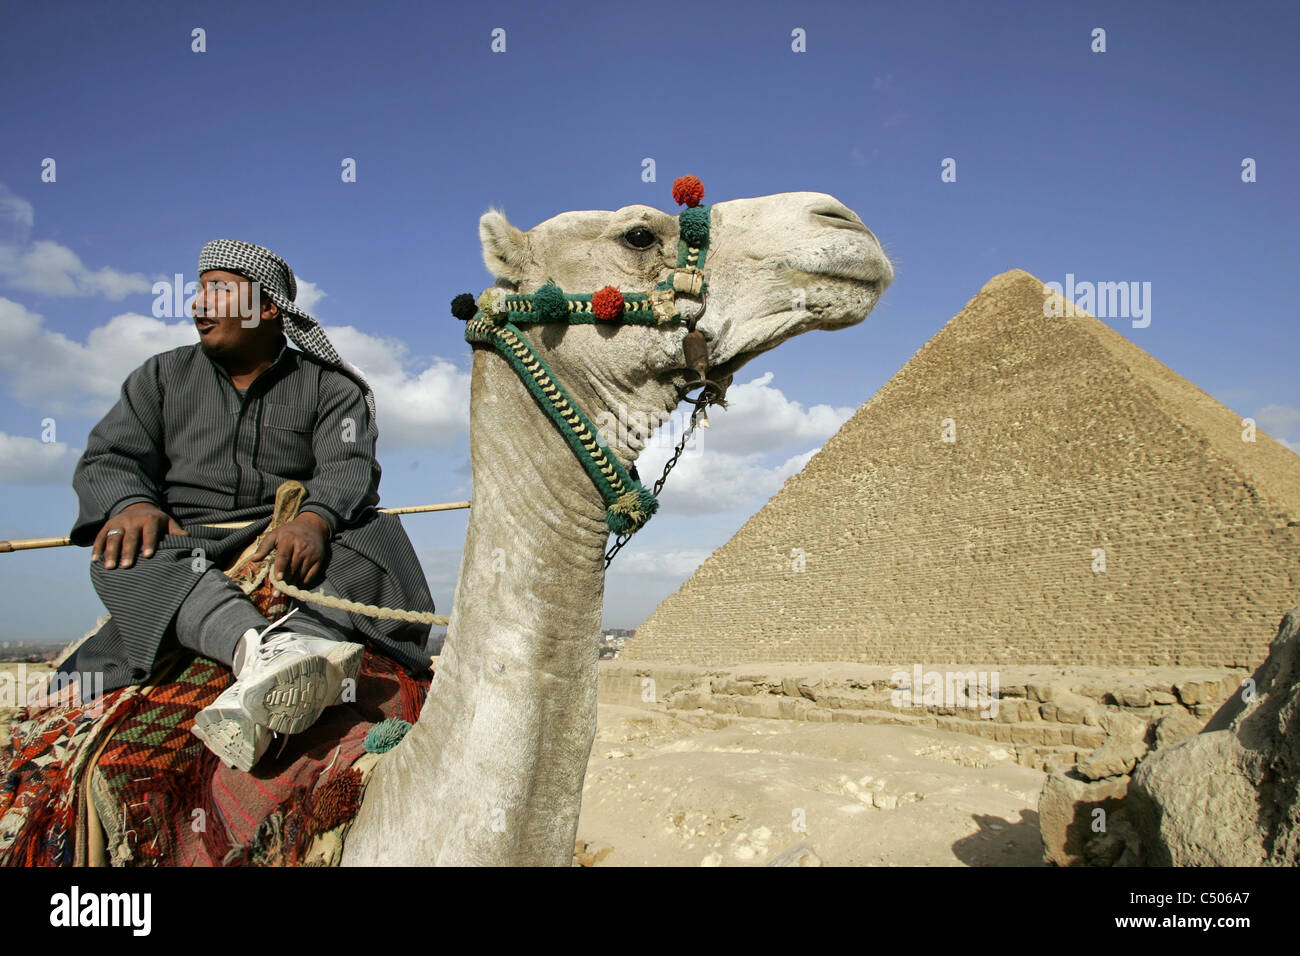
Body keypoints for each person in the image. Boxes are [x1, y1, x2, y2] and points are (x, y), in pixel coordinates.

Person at [56, 239, 436, 771]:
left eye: (218, 291)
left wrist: (314, 520)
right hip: (188, 541)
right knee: (121, 551)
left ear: (267, 308)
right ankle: (257, 652)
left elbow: (348, 466)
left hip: (288, 534)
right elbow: (109, 457)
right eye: (198, 292)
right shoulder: (160, 377)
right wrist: (131, 502)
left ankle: (303, 651)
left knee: (374, 533)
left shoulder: (330, 387)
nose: (199, 305)